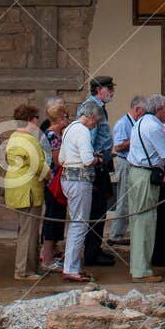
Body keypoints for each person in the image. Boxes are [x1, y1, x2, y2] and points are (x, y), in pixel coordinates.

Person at [123, 94, 165, 283]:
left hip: (138, 173)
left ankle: (139, 266)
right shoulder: (153, 126)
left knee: (140, 221)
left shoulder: (142, 122)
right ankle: (142, 270)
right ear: (158, 109)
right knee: (145, 222)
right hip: (146, 175)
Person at [5, 102, 50, 280]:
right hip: (28, 190)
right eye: (36, 118)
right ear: (31, 120)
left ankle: (31, 267)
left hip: (18, 188)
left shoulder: (14, 137)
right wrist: (50, 176)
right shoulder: (29, 139)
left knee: (27, 230)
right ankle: (23, 271)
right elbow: (40, 165)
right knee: (28, 232)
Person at [60, 99, 102, 282]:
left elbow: (62, 158)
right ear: (91, 116)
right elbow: (86, 159)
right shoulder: (83, 131)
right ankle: (70, 268)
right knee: (80, 224)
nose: (95, 125)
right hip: (80, 180)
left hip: (67, 178)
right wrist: (97, 160)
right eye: (96, 121)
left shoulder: (69, 128)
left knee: (75, 223)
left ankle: (73, 265)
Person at [85, 77, 118, 267]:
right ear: (99, 89)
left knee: (100, 209)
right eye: (109, 88)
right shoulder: (92, 107)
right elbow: (89, 136)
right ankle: (91, 253)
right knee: (96, 210)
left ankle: (94, 248)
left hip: (101, 163)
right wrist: (96, 158)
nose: (112, 92)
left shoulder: (98, 106)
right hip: (97, 164)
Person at [107, 95, 145, 243]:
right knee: (124, 198)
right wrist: (137, 138)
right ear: (137, 109)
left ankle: (124, 232)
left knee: (132, 199)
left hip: (133, 163)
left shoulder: (136, 122)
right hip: (125, 162)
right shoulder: (123, 124)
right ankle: (115, 235)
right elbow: (118, 146)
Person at [39, 98, 71, 272]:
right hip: (53, 183)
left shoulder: (52, 134)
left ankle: (49, 254)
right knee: (52, 219)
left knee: (55, 218)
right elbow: (58, 160)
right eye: (66, 116)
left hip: (53, 182)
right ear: (59, 118)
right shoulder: (53, 135)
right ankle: (48, 258)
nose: (68, 119)